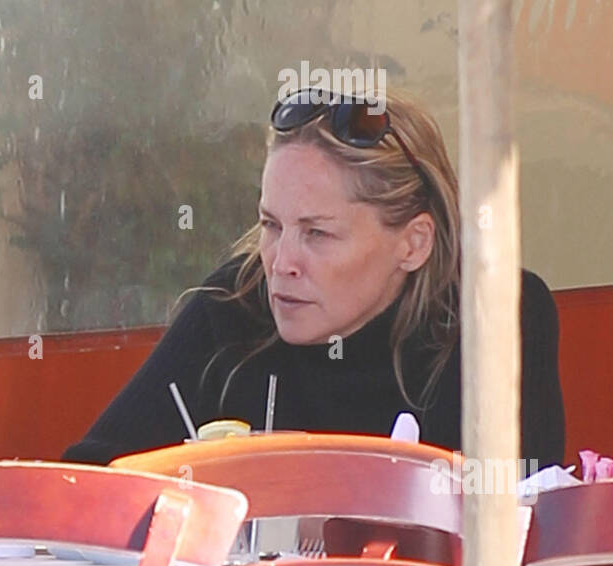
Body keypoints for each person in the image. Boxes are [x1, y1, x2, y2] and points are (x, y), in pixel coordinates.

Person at [64, 90, 565, 470]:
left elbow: (522, 515)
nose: (280, 263)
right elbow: (86, 481)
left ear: (413, 243)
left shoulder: (495, 315)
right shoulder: (231, 308)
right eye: (271, 225)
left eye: (317, 234)